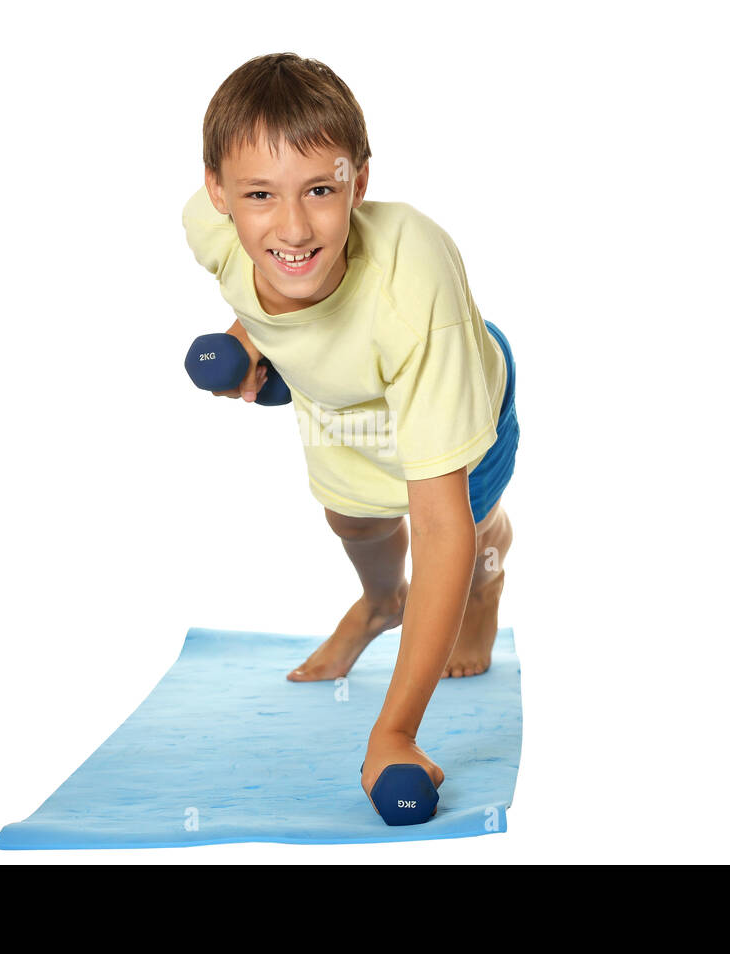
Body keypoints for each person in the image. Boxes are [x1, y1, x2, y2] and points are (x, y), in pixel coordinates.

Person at [181, 52, 520, 811]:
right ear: (219, 194)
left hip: (445, 371)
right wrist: (248, 340)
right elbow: (262, 278)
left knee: (468, 521)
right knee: (351, 514)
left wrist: (394, 732)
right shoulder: (210, 228)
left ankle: (492, 577)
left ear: (359, 184)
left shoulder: (412, 290)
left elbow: (437, 526)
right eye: (261, 195)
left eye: (322, 190)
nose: (292, 225)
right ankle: (380, 604)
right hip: (346, 392)